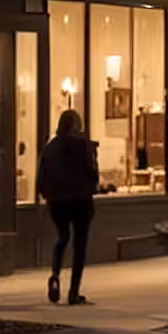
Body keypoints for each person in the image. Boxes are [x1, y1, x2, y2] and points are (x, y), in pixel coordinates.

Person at [38, 110, 100, 306]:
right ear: (76, 125)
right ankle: (74, 292)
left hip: (57, 202)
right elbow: (91, 172)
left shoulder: (51, 146)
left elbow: (41, 175)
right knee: (79, 245)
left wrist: (48, 195)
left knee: (62, 236)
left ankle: (55, 274)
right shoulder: (82, 145)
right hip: (80, 199)